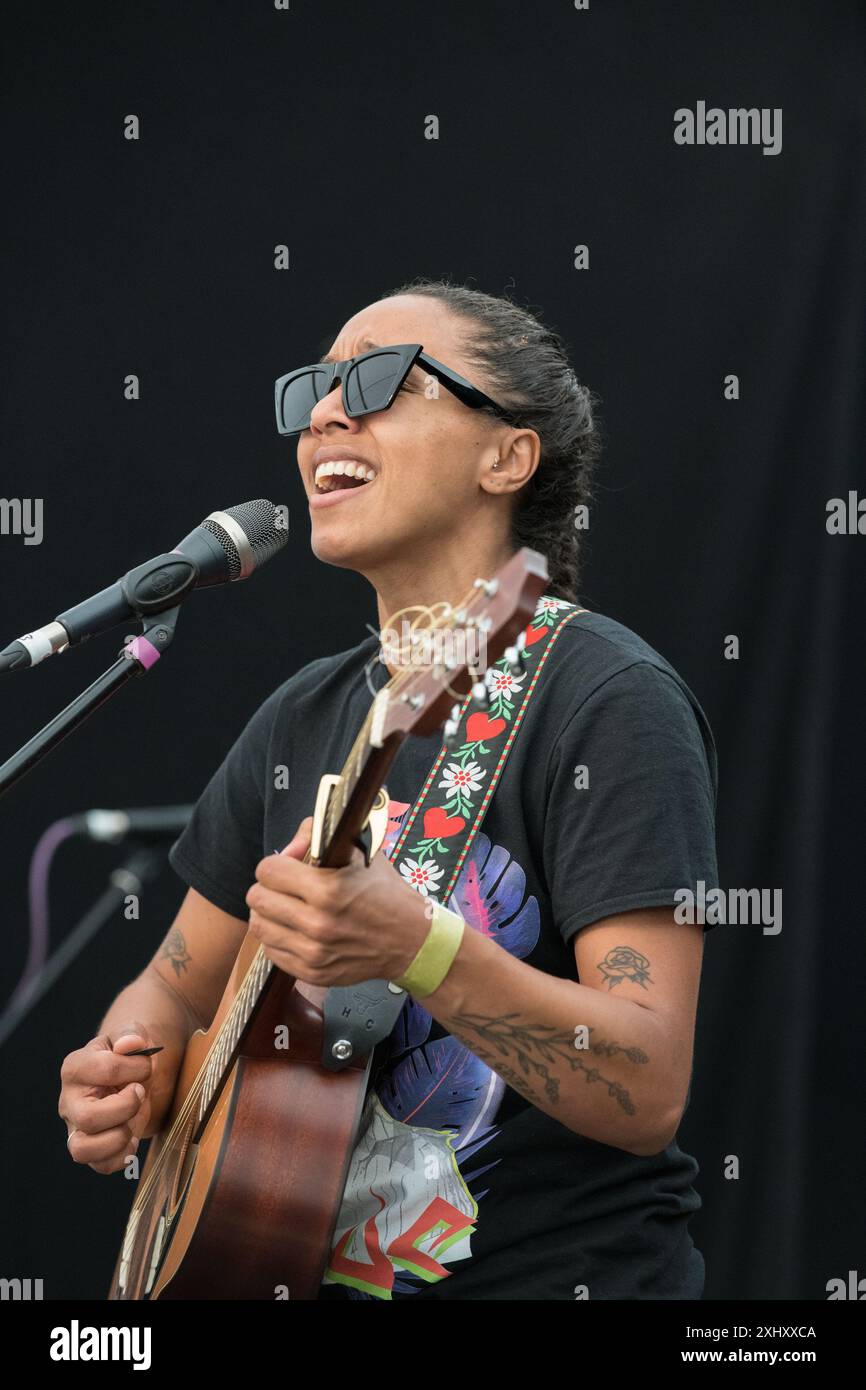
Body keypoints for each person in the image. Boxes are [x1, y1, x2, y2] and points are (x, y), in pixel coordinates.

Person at [58, 278, 719, 1300]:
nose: (325, 410)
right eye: (315, 388)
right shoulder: (298, 717)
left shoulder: (606, 701)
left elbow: (643, 1084)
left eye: (374, 379)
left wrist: (419, 947)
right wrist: (131, 1068)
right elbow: (174, 986)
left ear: (507, 455)